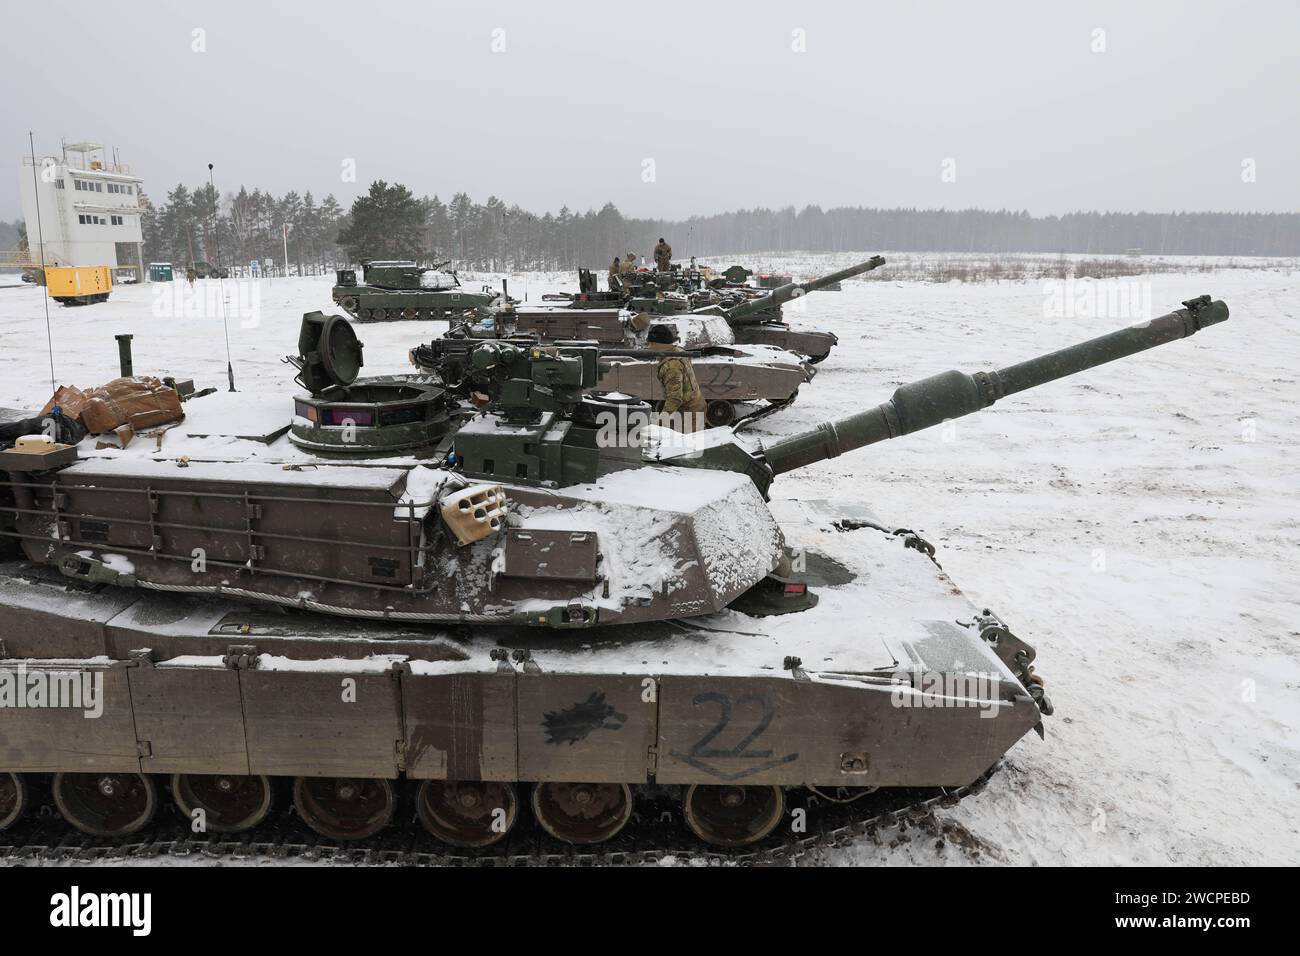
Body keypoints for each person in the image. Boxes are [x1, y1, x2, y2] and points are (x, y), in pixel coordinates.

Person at [646, 324, 706, 432]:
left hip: (689, 413)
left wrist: (659, 425)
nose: (649, 347)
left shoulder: (671, 366)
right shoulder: (678, 351)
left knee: (687, 442)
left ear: (659, 345)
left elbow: (675, 399)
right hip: (693, 406)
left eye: (651, 344)